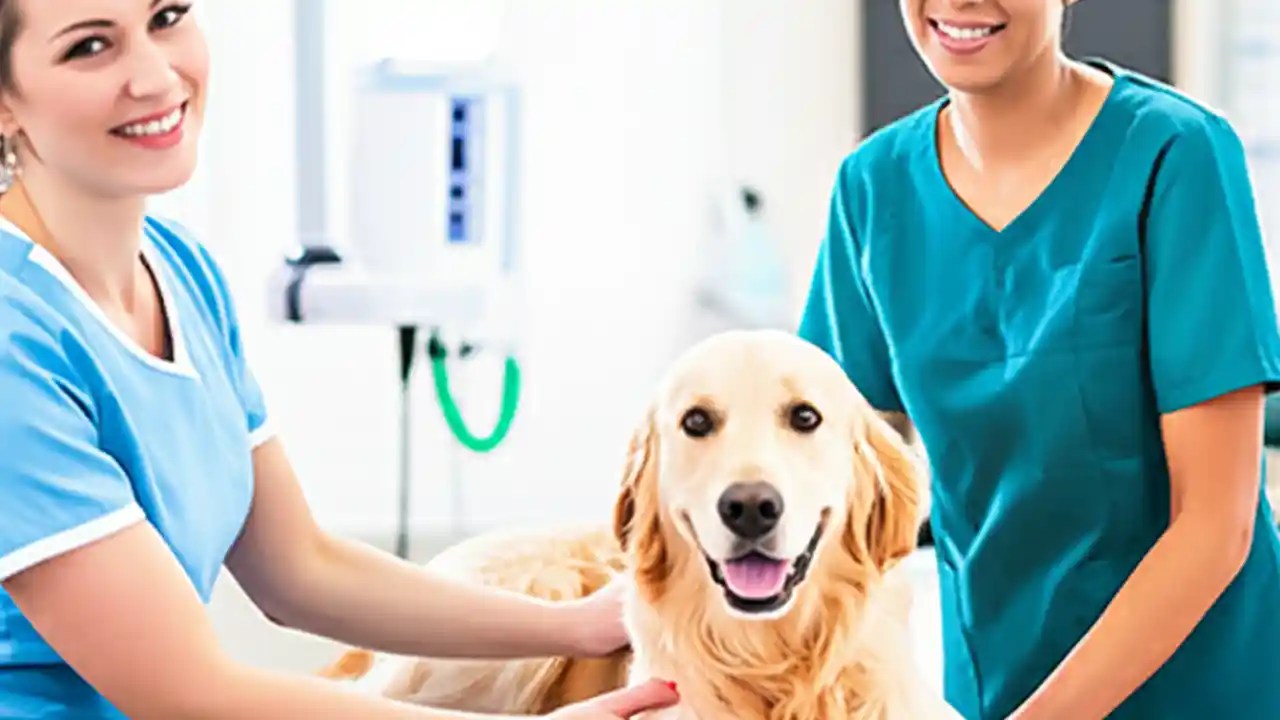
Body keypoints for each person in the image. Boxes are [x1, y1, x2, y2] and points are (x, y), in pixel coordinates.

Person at [0, 1, 679, 718]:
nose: (155, 74)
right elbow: (190, 693)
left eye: (167, 16)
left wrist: (577, 626)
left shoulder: (180, 270)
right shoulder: (14, 337)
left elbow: (298, 570)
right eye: (90, 48)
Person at [799, 0, 1280, 718]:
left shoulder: (1174, 153)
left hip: (1195, 684)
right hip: (992, 682)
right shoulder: (872, 187)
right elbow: (828, 482)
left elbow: (1217, 524)